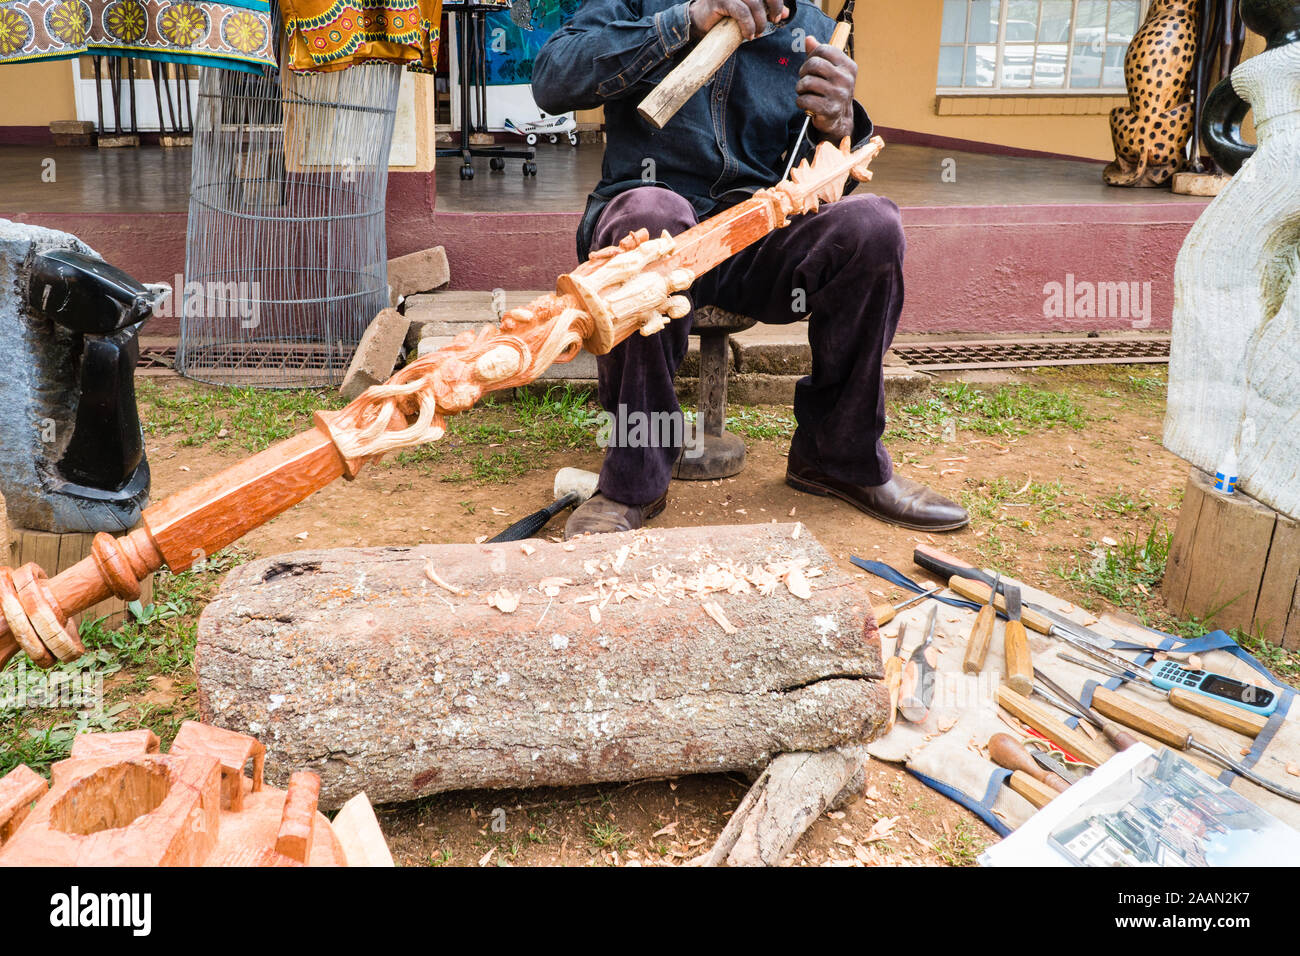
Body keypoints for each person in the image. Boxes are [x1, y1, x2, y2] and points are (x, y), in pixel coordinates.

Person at [532, 0, 969, 537]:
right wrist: (684, 22)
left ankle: (836, 457)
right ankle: (633, 480)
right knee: (651, 215)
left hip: (754, 236)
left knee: (873, 226)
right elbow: (553, 81)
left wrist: (840, 122)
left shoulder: (808, 27)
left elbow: (821, 179)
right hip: (649, 234)